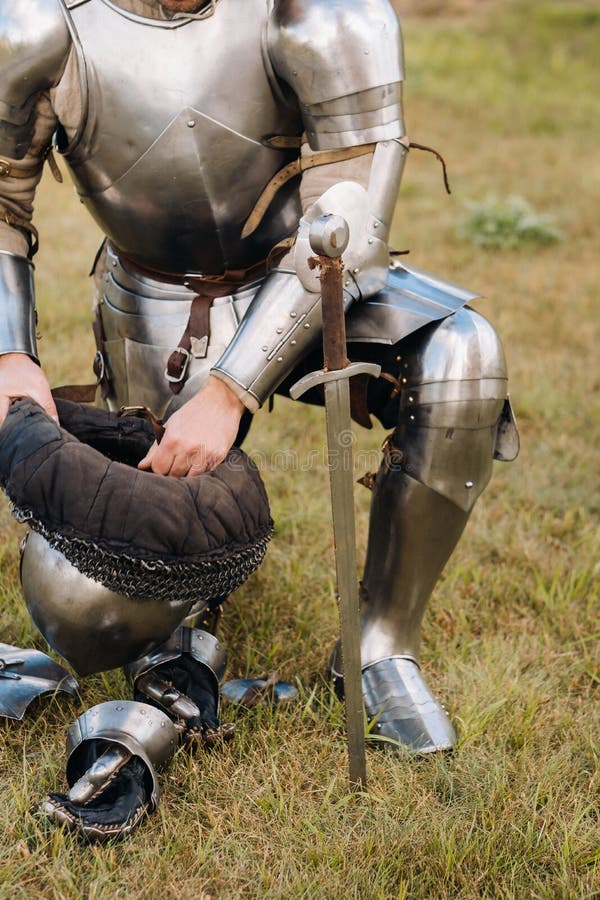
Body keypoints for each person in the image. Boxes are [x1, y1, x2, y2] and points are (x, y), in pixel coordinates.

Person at [0, 0, 518, 836]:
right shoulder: (37, 23)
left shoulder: (320, 12)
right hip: (157, 298)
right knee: (109, 593)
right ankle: (176, 655)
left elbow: (352, 216)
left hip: (313, 277)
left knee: (463, 357)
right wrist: (7, 353)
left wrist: (233, 387)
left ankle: (378, 649)